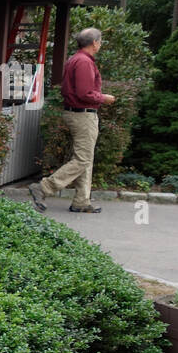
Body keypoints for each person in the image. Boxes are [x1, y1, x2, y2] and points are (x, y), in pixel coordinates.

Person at [29, 28, 116, 214]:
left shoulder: (76, 59)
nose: (100, 44)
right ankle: (43, 188)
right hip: (82, 115)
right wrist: (103, 98)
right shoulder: (84, 62)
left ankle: (81, 201)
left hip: (78, 113)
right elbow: (85, 93)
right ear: (94, 43)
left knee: (86, 158)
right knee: (83, 158)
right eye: (100, 41)